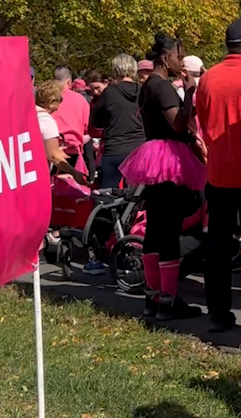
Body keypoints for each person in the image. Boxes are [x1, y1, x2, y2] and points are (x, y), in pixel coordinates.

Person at [119, 34, 207, 321]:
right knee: (168, 231)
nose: (181, 62)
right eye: (179, 57)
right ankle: (167, 301)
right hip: (169, 159)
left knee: (156, 230)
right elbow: (178, 124)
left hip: (155, 157)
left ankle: (153, 297)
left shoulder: (149, 86)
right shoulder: (163, 87)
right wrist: (190, 93)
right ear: (166, 57)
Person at [196, 20, 241, 334]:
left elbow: (202, 121)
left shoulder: (208, 77)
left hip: (219, 171)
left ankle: (218, 313)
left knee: (217, 245)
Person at [89, 54, 146, 191]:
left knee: (107, 193)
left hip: (114, 148)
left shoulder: (110, 93)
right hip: (139, 148)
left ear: (115, 70)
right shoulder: (143, 91)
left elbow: (96, 120)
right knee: (138, 194)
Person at [35, 81, 88, 185]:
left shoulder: (27, 114)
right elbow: (54, 156)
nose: (59, 106)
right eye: (60, 100)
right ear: (51, 102)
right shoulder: (46, 121)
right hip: (39, 173)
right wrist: (75, 173)